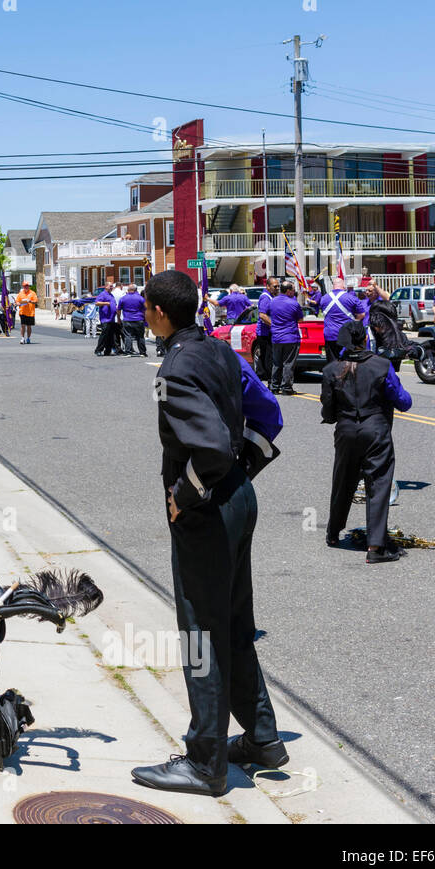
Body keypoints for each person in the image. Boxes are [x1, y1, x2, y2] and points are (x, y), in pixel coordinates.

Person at [132, 269, 287, 796]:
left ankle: (205, 762)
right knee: (236, 622)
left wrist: (186, 494)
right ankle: (262, 738)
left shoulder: (173, 368)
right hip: (240, 499)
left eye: (145, 307)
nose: (142, 314)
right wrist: (240, 473)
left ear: (157, 313)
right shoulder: (222, 350)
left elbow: (212, 449)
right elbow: (269, 417)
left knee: (201, 634)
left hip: (208, 510)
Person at [322, 322, 413, 563]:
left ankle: (333, 533)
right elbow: (402, 401)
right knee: (378, 483)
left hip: (345, 430)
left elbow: (327, 412)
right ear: (365, 340)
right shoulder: (381, 365)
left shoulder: (331, 370)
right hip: (376, 430)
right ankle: (375, 547)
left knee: (342, 482)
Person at [308, 276, 367, 362]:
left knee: (332, 362)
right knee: (347, 362)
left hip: (330, 334)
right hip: (347, 335)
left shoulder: (324, 299)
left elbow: (322, 311)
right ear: (343, 286)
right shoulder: (351, 298)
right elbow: (362, 314)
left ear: (333, 286)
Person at [263, 281, 302, 394]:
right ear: (288, 291)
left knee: (276, 363)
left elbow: (265, 314)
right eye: (293, 290)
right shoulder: (294, 303)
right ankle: (286, 387)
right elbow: (300, 319)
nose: (294, 292)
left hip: (276, 336)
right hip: (290, 337)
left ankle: (274, 386)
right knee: (288, 363)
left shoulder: (272, 302)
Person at [253, 277, 279, 382]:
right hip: (265, 333)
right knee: (267, 357)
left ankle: (267, 376)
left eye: (278, 286)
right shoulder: (265, 297)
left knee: (268, 356)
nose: (277, 288)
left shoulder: (272, 296)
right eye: (275, 286)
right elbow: (262, 315)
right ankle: (269, 378)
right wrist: (275, 326)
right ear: (268, 286)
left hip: (269, 332)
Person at [117, 283, 148, 356]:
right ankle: (142, 352)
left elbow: (118, 310)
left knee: (128, 336)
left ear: (128, 290)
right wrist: (145, 319)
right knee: (140, 336)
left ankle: (128, 351)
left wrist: (118, 318)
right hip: (139, 319)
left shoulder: (123, 298)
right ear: (136, 290)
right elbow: (145, 310)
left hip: (127, 319)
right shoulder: (141, 298)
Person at [93, 279, 120, 355]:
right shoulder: (103, 294)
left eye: (112, 286)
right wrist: (106, 303)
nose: (112, 287)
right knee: (104, 334)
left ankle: (107, 350)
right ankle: (98, 350)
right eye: (110, 286)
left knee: (110, 335)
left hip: (111, 318)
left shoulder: (111, 295)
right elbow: (97, 303)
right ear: (106, 286)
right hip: (105, 318)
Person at [15, 279, 38, 344]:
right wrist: (18, 303)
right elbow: (17, 301)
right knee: (23, 325)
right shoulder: (20, 293)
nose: (26, 287)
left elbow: (36, 301)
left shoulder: (32, 293)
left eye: (27, 285)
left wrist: (30, 301)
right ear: (23, 286)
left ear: (29, 286)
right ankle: (22, 338)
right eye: (25, 286)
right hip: (22, 312)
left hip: (30, 312)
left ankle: (28, 338)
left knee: (29, 326)